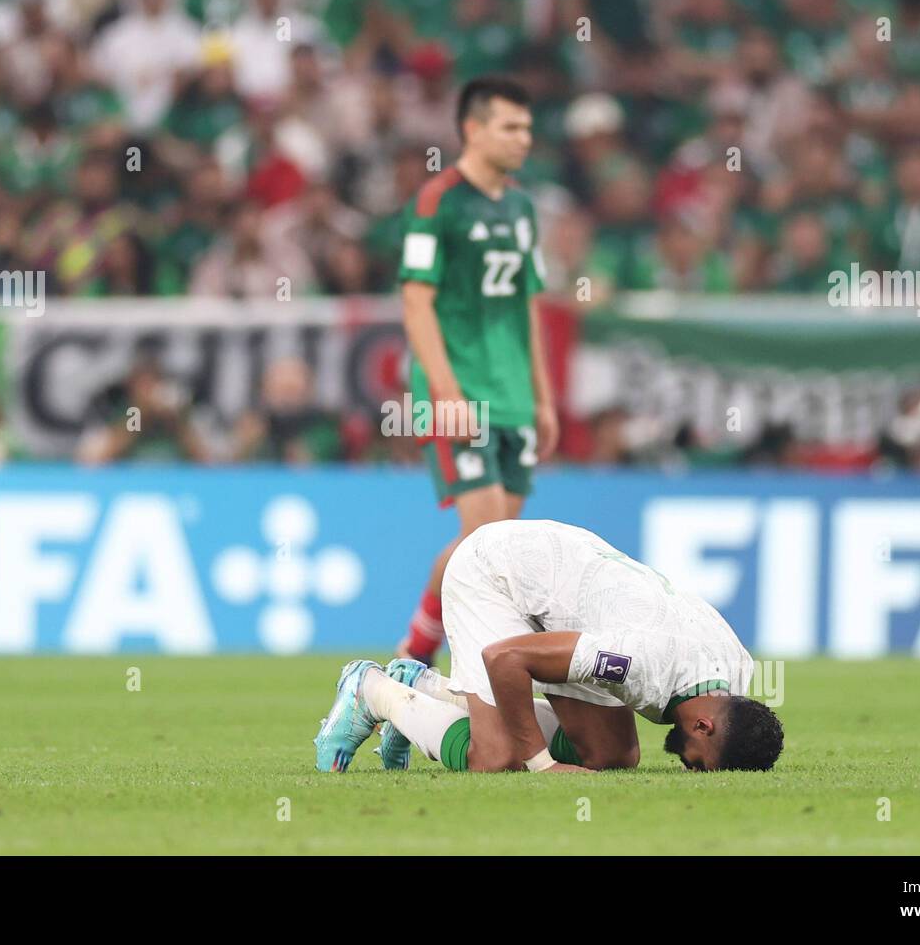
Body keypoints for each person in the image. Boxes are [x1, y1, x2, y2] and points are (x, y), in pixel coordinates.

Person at [315, 520, 783, 774]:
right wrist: (542, 764)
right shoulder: (637, 660)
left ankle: (426, 688)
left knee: (612, 758)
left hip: (573, 589)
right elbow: (507, 659)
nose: (687, 766)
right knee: (497, 757)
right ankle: (373, 690)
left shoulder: (735, 669)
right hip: (497, 572)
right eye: (698, 765)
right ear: (703, 725)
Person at [393, 77, 559, 676]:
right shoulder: (438, 202)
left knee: (488, 545)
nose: (524, 139)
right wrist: (447, 394)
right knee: (488, 542)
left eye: (527, 128)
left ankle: (414, 651)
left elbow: (528, 306)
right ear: (473, 128)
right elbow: (416, 304)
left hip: (513, 395)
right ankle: (479, 680)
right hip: (460, 394)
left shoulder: (521, 208)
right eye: (511, 127)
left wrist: (544, 398)